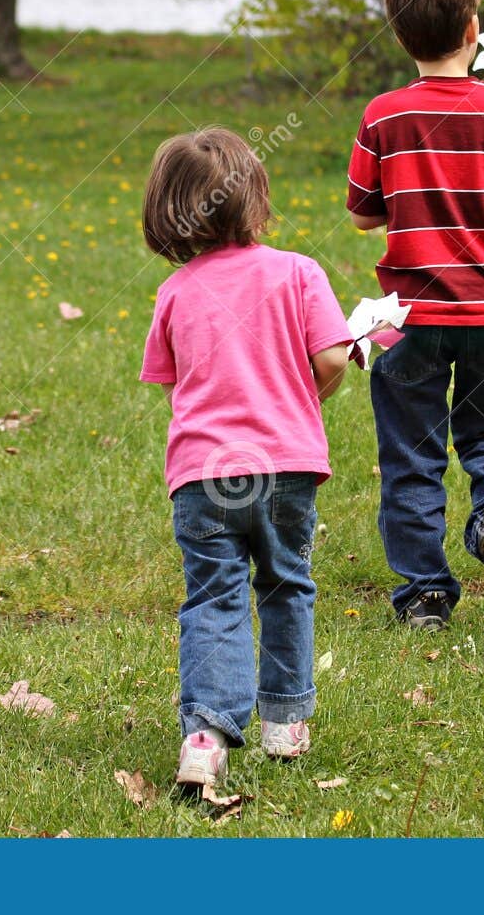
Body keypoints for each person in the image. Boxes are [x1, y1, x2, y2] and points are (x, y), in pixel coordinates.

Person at [140, 127, 353, 787]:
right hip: (287, 469)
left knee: (213, 598)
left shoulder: (175, 291)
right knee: (286, 583)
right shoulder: (299, 272)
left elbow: (175, 383)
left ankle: (204, 735)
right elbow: (332, 358)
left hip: (204, 476)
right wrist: (305, 395)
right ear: (256, 195)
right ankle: (285, 723)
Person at [345, 0, 484, 631]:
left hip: (406, 315)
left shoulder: (382, 116)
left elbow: (364, 211)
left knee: (410, 453)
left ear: (400, 37)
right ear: (473, 28)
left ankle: (425, 594)